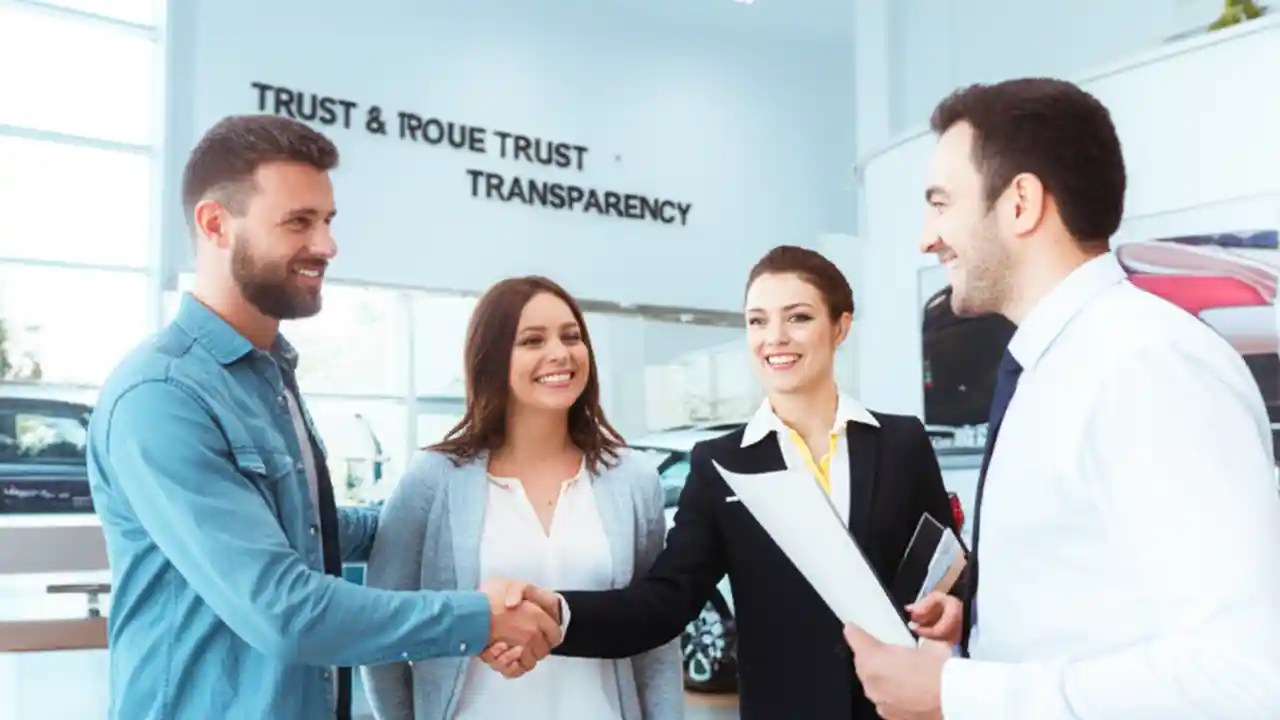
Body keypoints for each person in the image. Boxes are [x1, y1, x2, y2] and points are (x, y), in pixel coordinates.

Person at [86, 114, 560, 720]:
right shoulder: (160, 397)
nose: (327, 246)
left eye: (328, 220)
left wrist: (455, 500)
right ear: (215, 225)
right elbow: (286, 611)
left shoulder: (269, 375)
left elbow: (308, 527)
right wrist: (482, 614)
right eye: (298, 222)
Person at [842, 78, 1280, 719]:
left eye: (941, 204)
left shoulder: (1147, 367)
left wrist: (955, 694)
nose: (926, 237)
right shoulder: (1057, 366)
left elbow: (1249, 674)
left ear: (1019, 202)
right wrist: (982, 630)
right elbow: (1102, 602)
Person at [485, 246, 958, 719]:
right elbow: (665, 602)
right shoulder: (720, 464)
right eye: (757, 321)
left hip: (902, 710)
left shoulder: (902, 443)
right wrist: (558, 616)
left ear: (840, 327)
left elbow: (951, 569)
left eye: (797, 317)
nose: (775, 338)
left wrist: (950, 606)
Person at [360, 276, 682, 720]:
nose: (560, 353)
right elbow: (384, 630)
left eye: (572, 337)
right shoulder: (434, 478)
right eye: (532, 340)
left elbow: (657, 637)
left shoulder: (632, 478)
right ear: (491, 359)